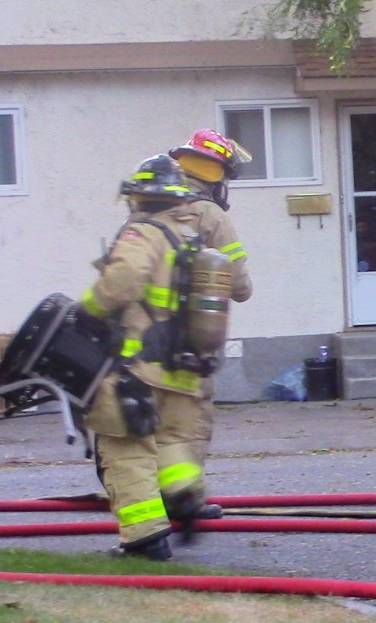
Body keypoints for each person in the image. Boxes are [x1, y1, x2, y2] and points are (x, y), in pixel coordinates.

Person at [81, 154, 228, 559]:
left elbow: (123, 282)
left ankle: (144, 538)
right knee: (171, 443)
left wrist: (88, 309)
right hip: (183, 370)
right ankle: (184, 497)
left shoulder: (143, 232)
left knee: (125, 449)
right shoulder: (188, 237)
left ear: (141, 197)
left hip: (137, 368)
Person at [167, 129, 253, 512]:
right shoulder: (209, 214)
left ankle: (148, 499)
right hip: (192, 341)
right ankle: (185, 502)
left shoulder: (151, 208)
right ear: (218, 174)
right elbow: (240, 286)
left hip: (143, 339)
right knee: (190, 422)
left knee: (154, 423)